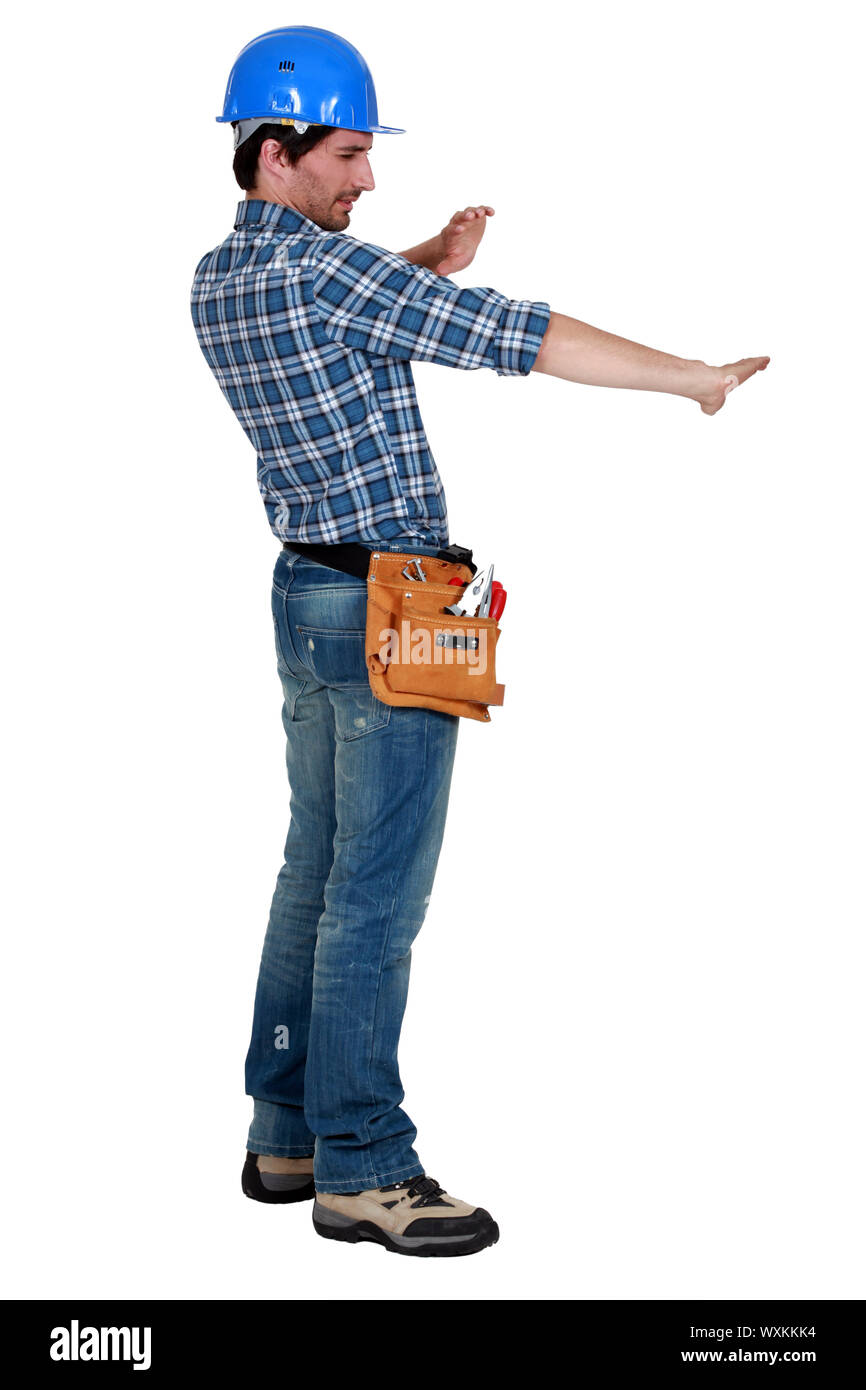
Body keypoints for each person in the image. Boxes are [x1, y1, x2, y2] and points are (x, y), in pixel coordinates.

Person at [190, 25, 770, 1259]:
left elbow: (337, 305)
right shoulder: (328, 279)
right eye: (348, 155)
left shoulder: (224, 276)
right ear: (277, 151)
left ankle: (284, 1131)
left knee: (314, 872)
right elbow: (528, 336)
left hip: (304, 594)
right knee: (374, 900)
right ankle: (364, 1169)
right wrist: (691, 380)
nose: (367, 178)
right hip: (390, 606)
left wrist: (421, 264)